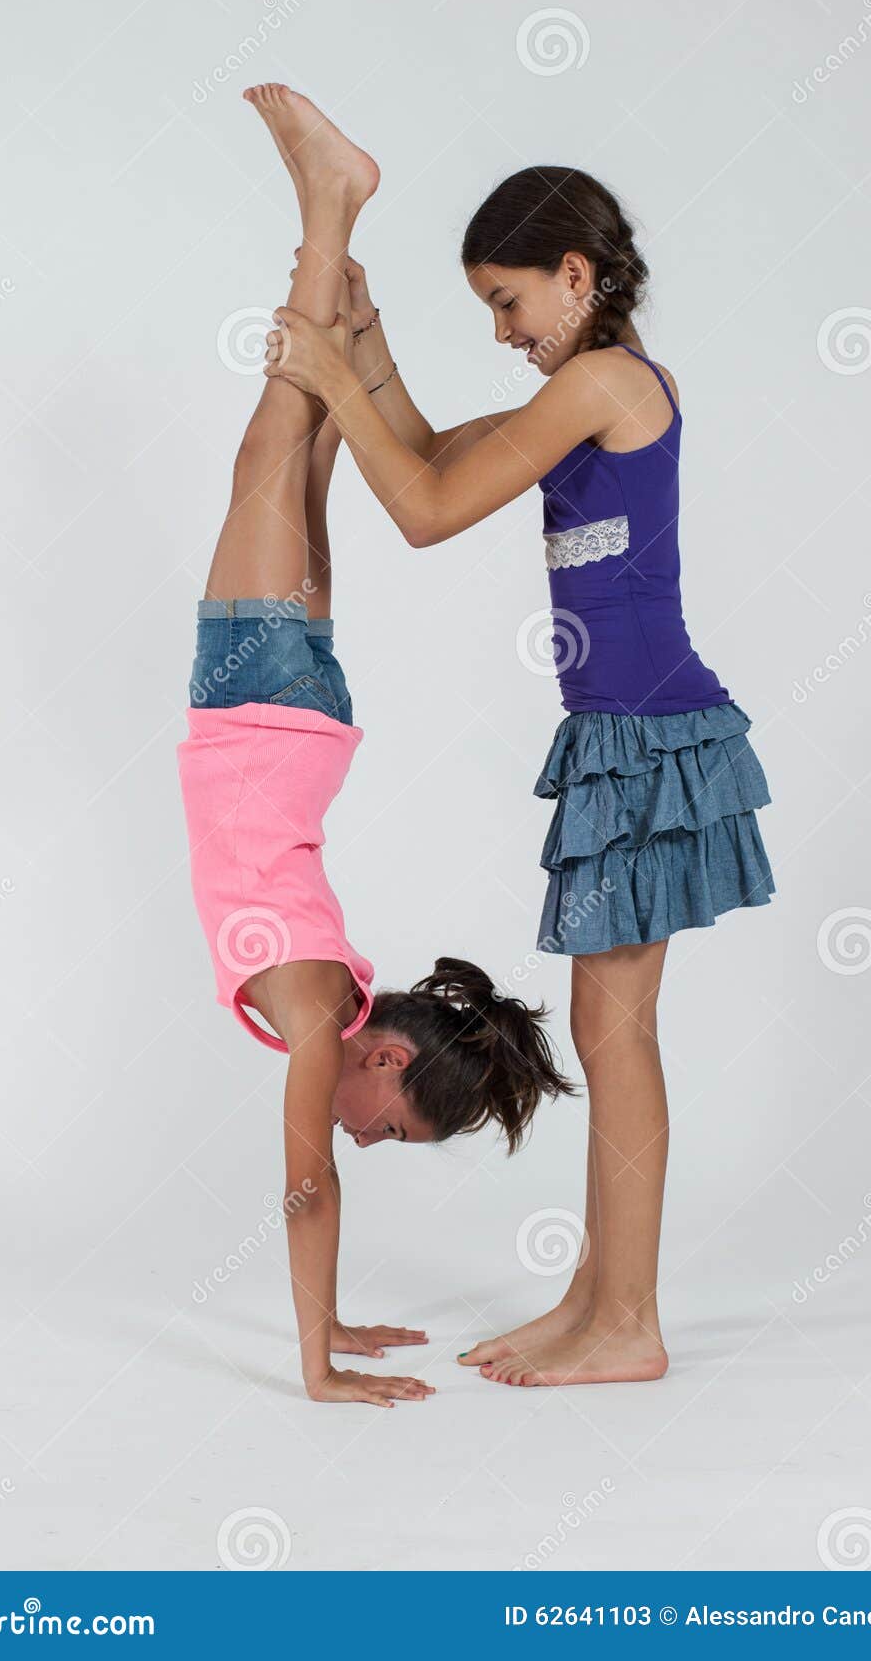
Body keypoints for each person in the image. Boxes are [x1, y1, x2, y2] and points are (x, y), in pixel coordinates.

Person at [264, 100, 775, 1387]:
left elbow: (427, 511)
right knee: (616, 1035)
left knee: (619, 1039)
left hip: (651, 736)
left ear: (578, 276)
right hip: (626, 734)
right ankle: (596, 1298)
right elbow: (433, 452)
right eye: (486, 310)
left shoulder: (606, 380)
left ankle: (628, 1325)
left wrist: (326, 378)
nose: (504, 333)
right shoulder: (585, 392)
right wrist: (366, 351)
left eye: (510, 302)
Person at [177, 85, 573, 1408]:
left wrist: (340, 1320)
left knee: (287, 441)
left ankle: (335, 242)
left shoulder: (328, 998)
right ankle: (329, 199)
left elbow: (312, 1179)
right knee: (282, 432)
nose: (361, 1137)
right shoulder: (307, 1017)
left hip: (293, 712)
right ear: (384, 1056)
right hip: (257, 701)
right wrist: (316, 1363)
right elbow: (303, 1182)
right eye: (388, 1123)